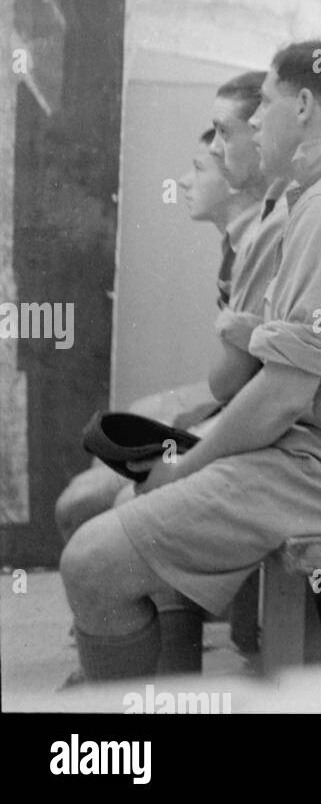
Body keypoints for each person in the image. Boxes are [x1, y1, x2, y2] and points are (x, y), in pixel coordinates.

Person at [60, 38, 321, 681]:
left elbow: (280, 391)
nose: (253, 125)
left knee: (93, 559)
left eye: (264, 107)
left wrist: (188, 464)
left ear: (304, 105)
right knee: (128, 523)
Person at [53, 130, 242, 543]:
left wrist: (186, 424)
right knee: (124, 433)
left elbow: (258, 386)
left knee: (82, 505)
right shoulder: (236, 243)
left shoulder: (266, 242)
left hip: (259, 426)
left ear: (238, 173)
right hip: (236, 409)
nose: (182, 181)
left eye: (198, 168)